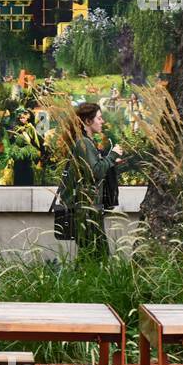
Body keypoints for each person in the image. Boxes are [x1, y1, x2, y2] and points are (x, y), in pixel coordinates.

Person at [60, 103, 123, 260]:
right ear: (88, 121)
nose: (102, 122)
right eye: (99, 118)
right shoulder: (84, 143)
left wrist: (111, 162)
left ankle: (83, 282)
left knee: (91, 255)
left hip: (88, 207)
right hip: (87, 208)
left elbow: (92, 168)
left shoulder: (85, 141)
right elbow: (95, 172)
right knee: (96, 255)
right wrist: (112, 156)